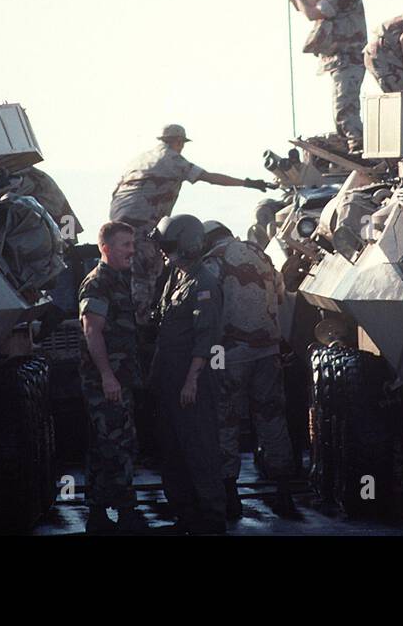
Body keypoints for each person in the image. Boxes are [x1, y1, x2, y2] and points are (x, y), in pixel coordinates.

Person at [108, 124, 269, 318]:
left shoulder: (140, 159)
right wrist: (248, 183)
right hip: (142, 227)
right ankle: (143, 325)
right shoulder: (173, 159)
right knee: (146, 273)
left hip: (117, 225)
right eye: (182, 143)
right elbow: (209, 178)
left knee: (129, 273)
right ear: (177, 142)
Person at [201, 221, 299, 521]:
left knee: (225, 421)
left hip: (228, 357)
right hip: (268, 353)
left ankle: (231, 498)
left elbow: (204, 309)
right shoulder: (261, 254)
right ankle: (285, 494)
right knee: (272, 420)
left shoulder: (212, 262)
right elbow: (281, 295)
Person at [150, 214, 227, 534]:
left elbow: (206, 337)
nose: (164, 252)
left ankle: (211, 514)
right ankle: (185, 511)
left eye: (169, 246)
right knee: (174, 448)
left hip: (190, 380)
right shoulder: (174, 277)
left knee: (199, 447)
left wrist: (192, 380)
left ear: (187, 245)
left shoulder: (204, 283)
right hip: (169, 378)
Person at [78, 221, 149, 533]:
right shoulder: (97, 284)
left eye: (133, 245)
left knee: (104, 445)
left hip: (119, 378)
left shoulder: (119, 280)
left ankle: (97, 514)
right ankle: (127, 514)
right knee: (118, 445)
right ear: (105, 248)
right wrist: (107, 376)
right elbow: (91, 331)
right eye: (125, 245)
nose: (131, 251)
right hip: (106, 381)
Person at [280, 0, 367, 153]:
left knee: (345, 108)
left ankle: (358, 147)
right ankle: (352, 146)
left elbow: (312, 14)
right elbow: (304, 5)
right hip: (341, 60)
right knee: (341, 108)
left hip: (349, 58)